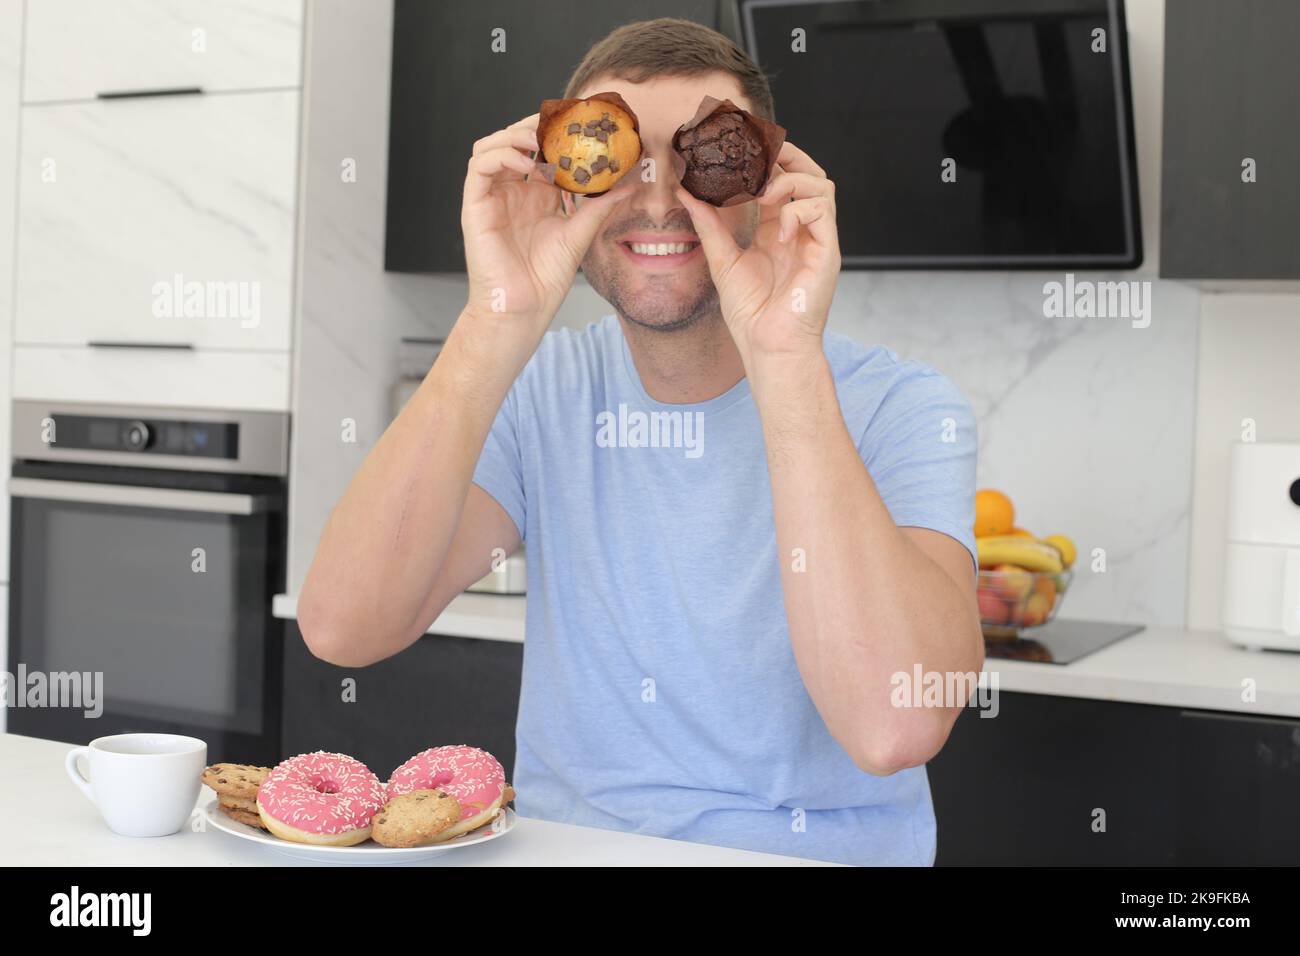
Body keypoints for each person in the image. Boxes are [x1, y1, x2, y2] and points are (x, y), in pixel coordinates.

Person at [299, 17, 982, 866]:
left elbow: (894, 724)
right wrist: (493, 321)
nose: (659, 200)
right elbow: (343, 627)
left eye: (698, 160)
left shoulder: (904, 409)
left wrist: (785, 355)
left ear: (770, 182)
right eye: (621, 159)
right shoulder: (544, 391)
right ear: (567, 182)